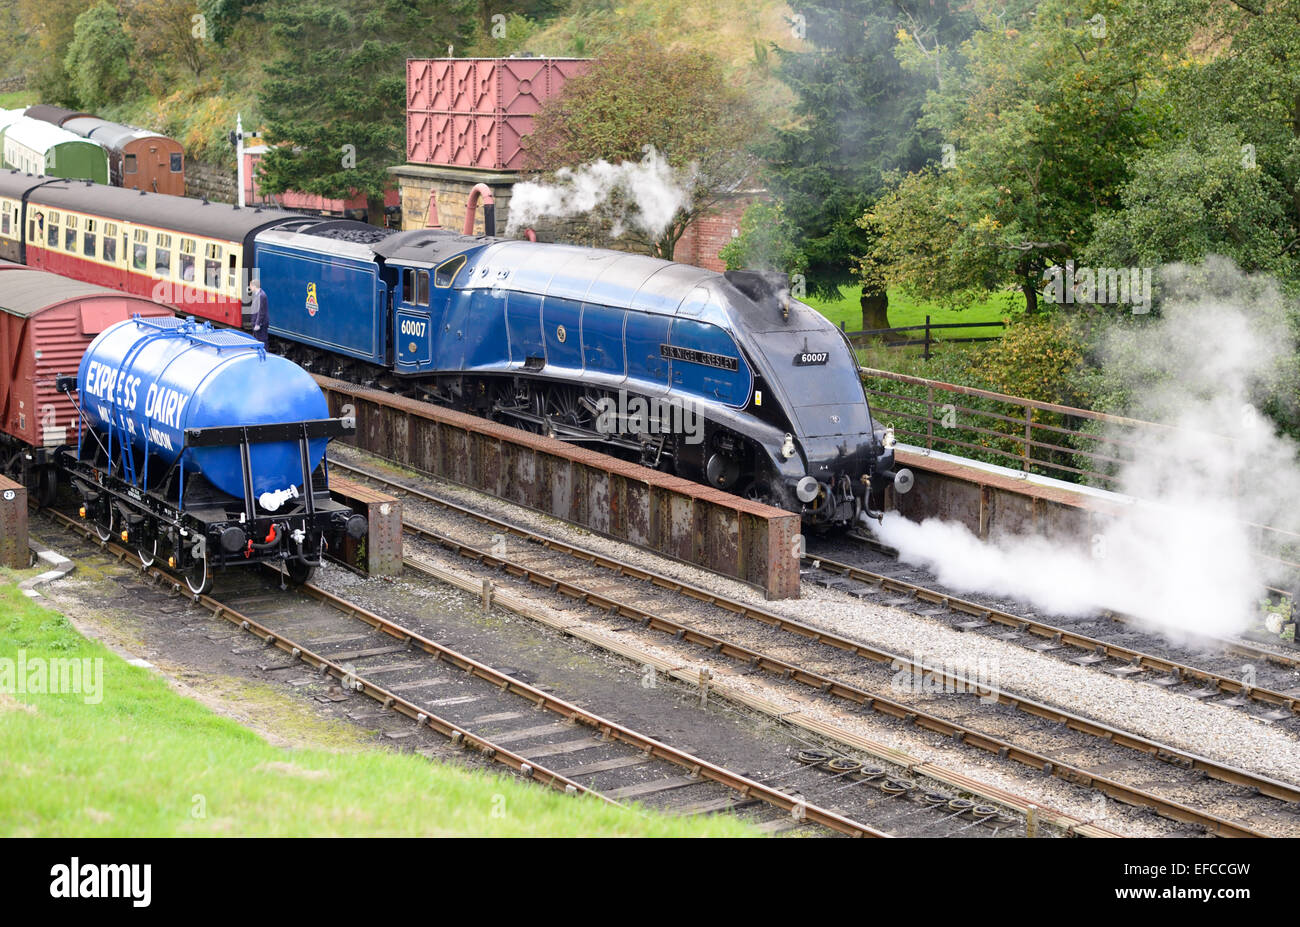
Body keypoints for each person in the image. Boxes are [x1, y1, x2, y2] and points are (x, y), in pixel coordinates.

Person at [250, 280, 269, 346]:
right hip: (256, 323)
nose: (250, 288)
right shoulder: (257, 294)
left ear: (254, 286)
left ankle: (265, 354)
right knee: (257, 341)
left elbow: (261, 311)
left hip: (261, 324)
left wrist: (257, 324)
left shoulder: (261, 295)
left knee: (262, 341)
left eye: (251, 286)